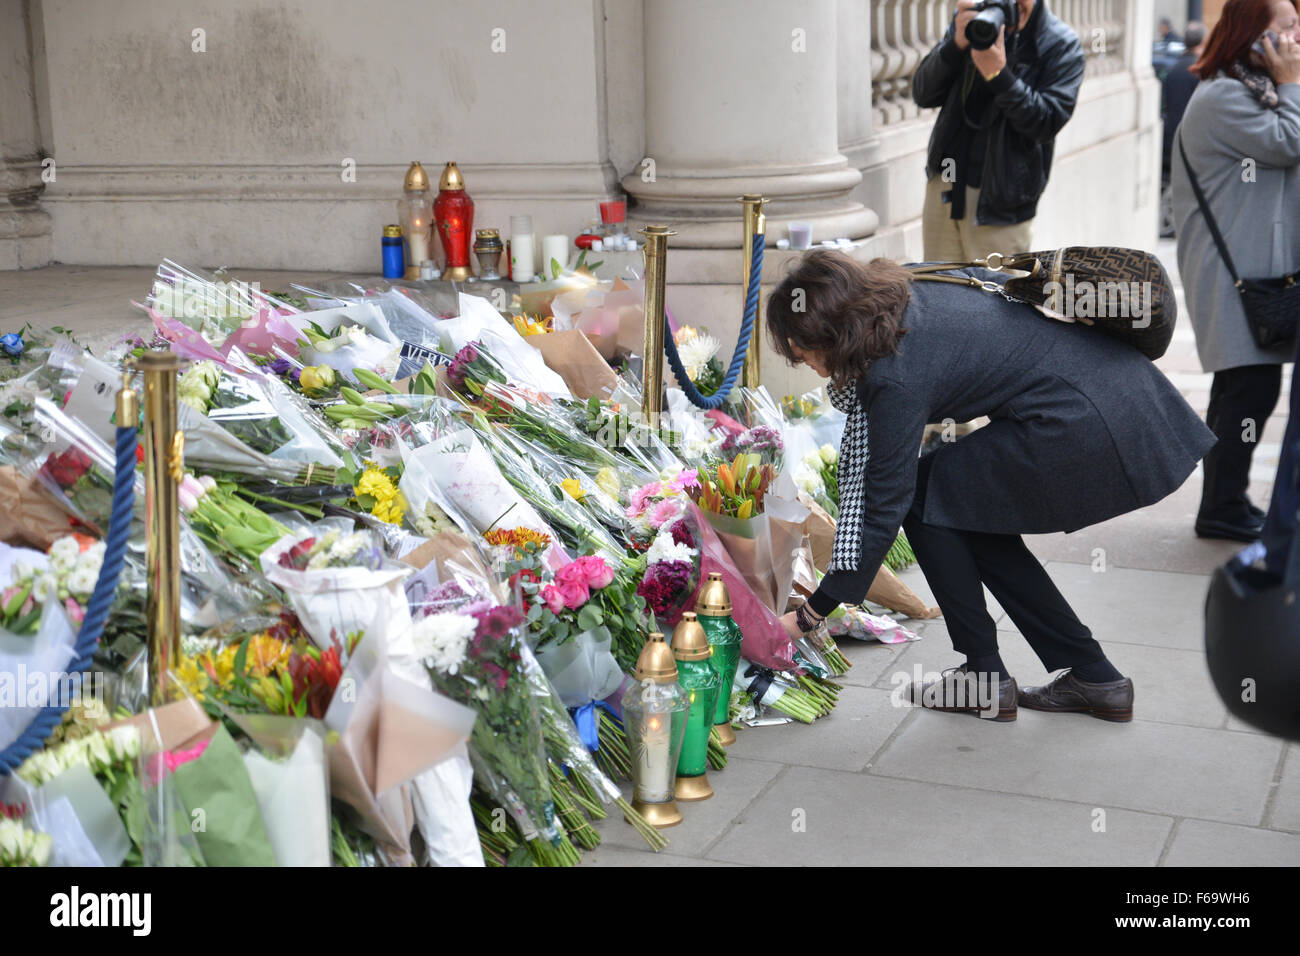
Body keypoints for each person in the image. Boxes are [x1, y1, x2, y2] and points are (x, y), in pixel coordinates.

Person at [769, 251, 1215, 722]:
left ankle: (989, 678)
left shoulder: (896, 372)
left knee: (924, 498)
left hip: (1091, 426)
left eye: (806, 352)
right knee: (956, 508)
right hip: (1114, 398)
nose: (811, 367)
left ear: (835, 333)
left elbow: (885, 502)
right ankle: (1092, 677)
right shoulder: (904, 289)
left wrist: (811, 613)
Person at [1170, 0, 1300, 542]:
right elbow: (1291, 141)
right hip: (1235, 276)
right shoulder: (1226, 95)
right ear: (1255, 38)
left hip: (1252, 269)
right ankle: (1222, 508)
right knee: (1247, 391)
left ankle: (1226, 501)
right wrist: (1292, 82)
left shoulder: (1249, 89)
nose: (1297, 37)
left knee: (1242, 390)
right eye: (1287, 28)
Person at [913, 0, 1085, 263]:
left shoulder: (1060, 43)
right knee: (939, 293)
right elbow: (922, 94)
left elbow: (1045, 122)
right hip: (946, 183)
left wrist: (998, 74)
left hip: (1000, 201)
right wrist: (954, 46)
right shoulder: (974, 24)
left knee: (997, 299)